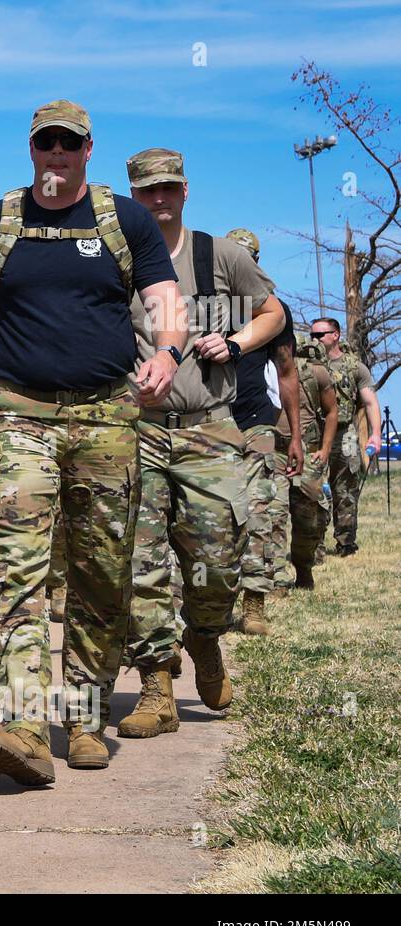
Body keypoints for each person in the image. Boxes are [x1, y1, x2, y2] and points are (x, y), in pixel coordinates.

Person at [0, 101, 183, 784]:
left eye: (70, 144)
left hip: (107, 416)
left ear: (89, 150)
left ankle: (84, 718)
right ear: (32, 150)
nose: (57, 154)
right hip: (16, 415)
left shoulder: (127, 220)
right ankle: (24, 723)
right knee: (16, 572)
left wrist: (168, 354)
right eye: (46, 143)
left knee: (101, 571)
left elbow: (165, 301)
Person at [116, 149, 285, 741]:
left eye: (167, 189)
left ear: (185, 190)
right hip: (136, 431)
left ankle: (204, 637)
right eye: (146, 191)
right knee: (139, 564)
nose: (158, 200)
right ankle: (156, 685)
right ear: (132, 195)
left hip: (209, 428)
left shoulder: (221, 255)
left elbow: (274, 313)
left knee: (217, 563)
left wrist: (236, 343)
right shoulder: (117, 257)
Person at [224, 228, 300, 631]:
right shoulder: (206, 304)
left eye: (246, 258)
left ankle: (254, 605)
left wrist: (295, 438)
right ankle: (210, 603)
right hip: (212, 422)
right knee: (213, 518)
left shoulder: (274, 312)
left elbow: (288, 373)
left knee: (259, 511)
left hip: (257, 421)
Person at [312, 317, 382, 557]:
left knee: (345, 490)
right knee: (314, 490)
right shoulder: (308, 366)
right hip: (315, 434)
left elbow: (371, 402)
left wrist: (375, 434)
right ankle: (314, 545)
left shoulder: (354, 367)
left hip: (345, 434)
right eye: (312, 335)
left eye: (320, 334)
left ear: (335, 335)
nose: (316, 340)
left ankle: (346, 543)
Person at [282, 339, 338, 589]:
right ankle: (274, 579)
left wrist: (325, 450)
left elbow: (332, 410)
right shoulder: (260, 367)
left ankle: (303, 567)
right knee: (269, 517)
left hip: (308, 453)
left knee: (308, 521)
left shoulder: (315, 372)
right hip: (270, 450)